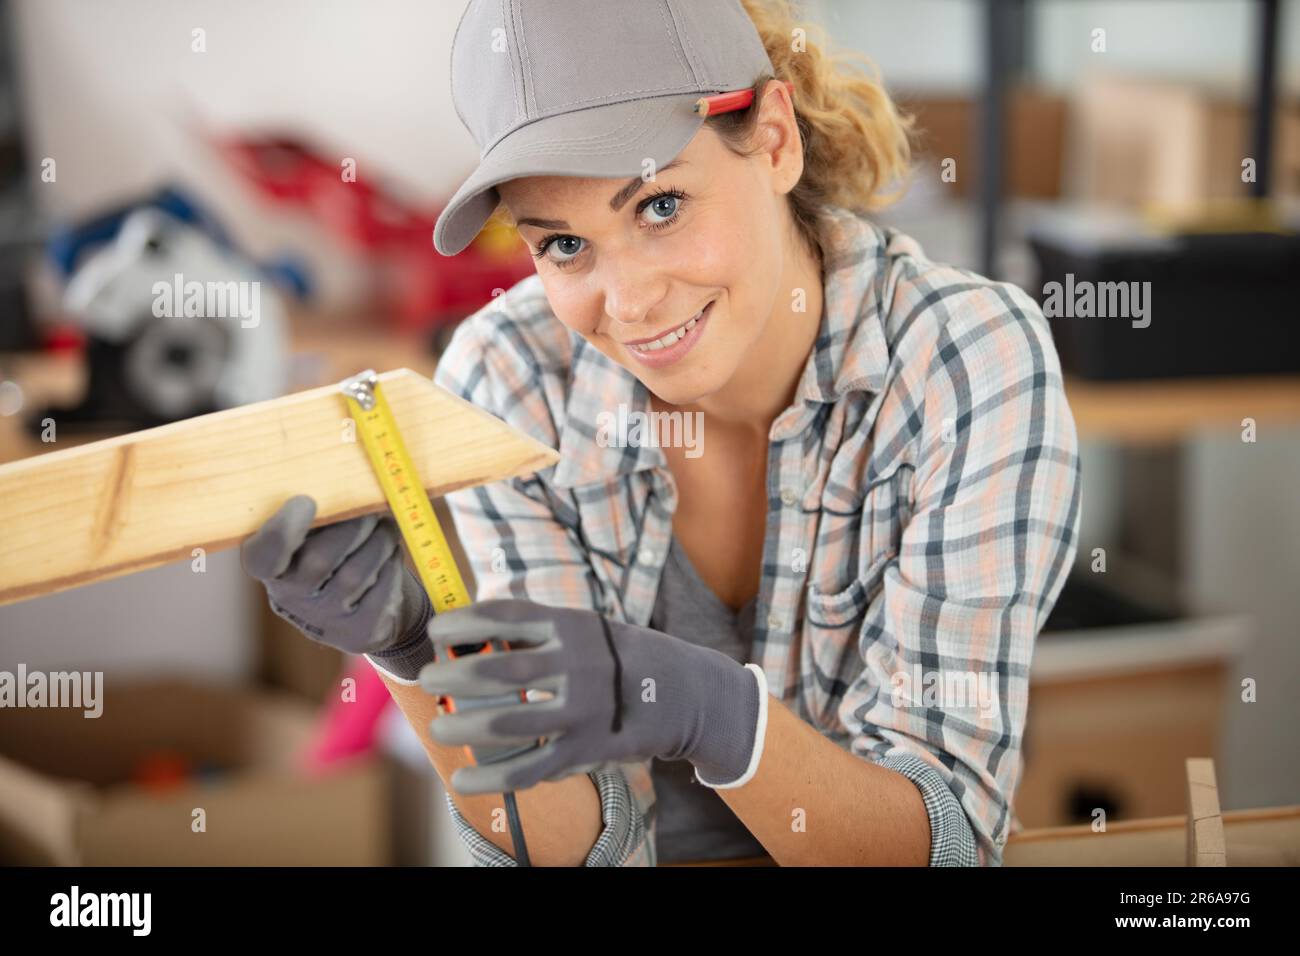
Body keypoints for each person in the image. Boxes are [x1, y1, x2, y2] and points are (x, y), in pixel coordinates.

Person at [241, 0, 1081, 867]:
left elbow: (946, 847)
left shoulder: (965, 361)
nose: (631, 302)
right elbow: (575, 850)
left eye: (661, 204)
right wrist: (420, 659)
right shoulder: (514, 378)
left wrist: (716, 714)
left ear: (776, 140)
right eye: (565, 244)